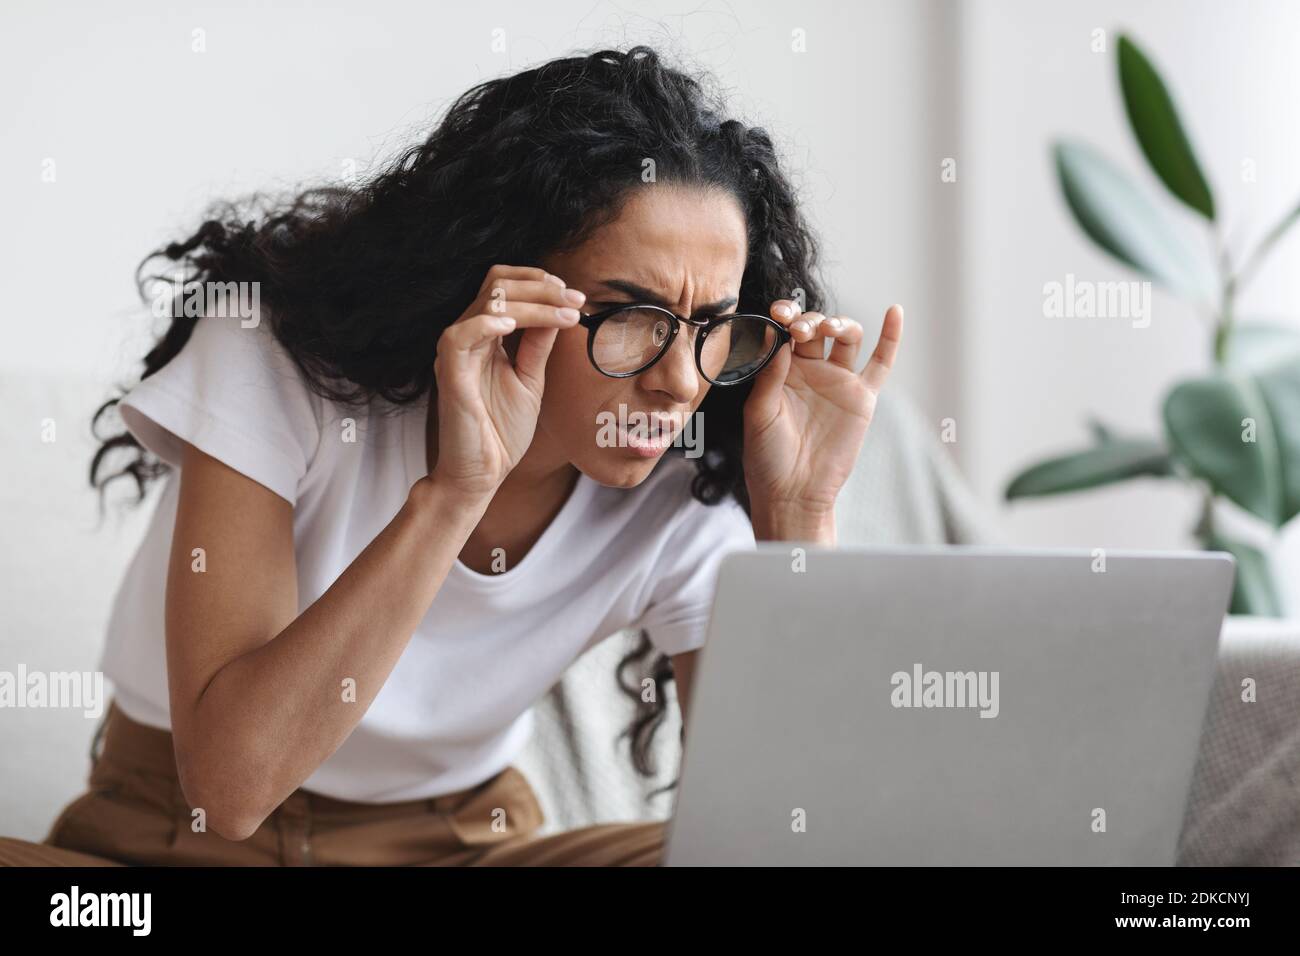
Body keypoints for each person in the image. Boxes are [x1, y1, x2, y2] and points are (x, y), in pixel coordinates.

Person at [0, 45, 902, 866]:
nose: (679, 382)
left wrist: (798, 517)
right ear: (500, 287)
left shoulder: (687, 478)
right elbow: (231, 789)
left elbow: (793, 837)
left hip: (460, 845)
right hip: (172, 837)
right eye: (631, 315)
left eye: (713, 329)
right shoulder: (272, 356)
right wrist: (453, 493)